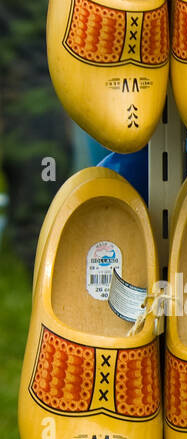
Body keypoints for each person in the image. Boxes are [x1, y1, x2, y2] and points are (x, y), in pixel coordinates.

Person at [0, 0, 73, 269]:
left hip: (36, 119)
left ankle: (48, 291)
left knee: (42, 215)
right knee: (42, 215)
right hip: (38, 119)